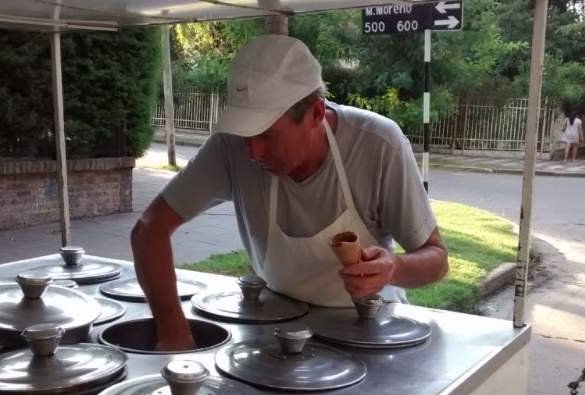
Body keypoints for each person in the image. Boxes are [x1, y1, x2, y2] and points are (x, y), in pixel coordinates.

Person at [131, 35, 449, 351]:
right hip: (276, 333)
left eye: (267, 135)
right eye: (246, 134)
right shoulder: (230, 147)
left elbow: (436, 260)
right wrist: (172, 329)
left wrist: (393, 268)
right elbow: (149, 230)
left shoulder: (378, 144)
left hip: (370, 332)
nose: (253, 151)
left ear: (315, 114)